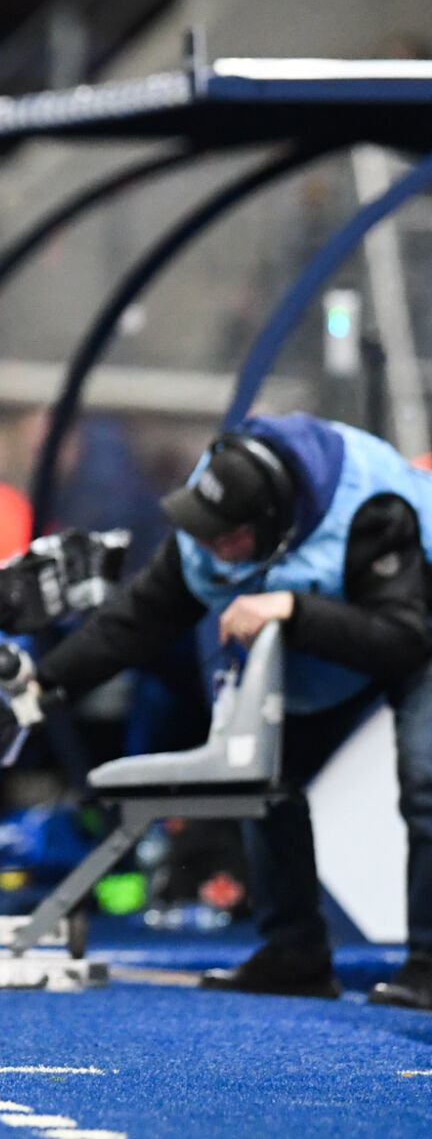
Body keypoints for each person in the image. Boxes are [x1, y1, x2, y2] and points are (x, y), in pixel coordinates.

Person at [36, 414, 432, 1010]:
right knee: (259, 768)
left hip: (415, 627)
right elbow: (134, 622)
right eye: (199, 526)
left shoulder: (375, 512)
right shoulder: (214, 519)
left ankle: (428, 962)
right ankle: (294, 954)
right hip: (325, 630)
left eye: (225, 537)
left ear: (273, 528)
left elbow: (404, 638)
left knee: (428, 778)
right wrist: (41, 687)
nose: (206, 545)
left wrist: (293, 611)